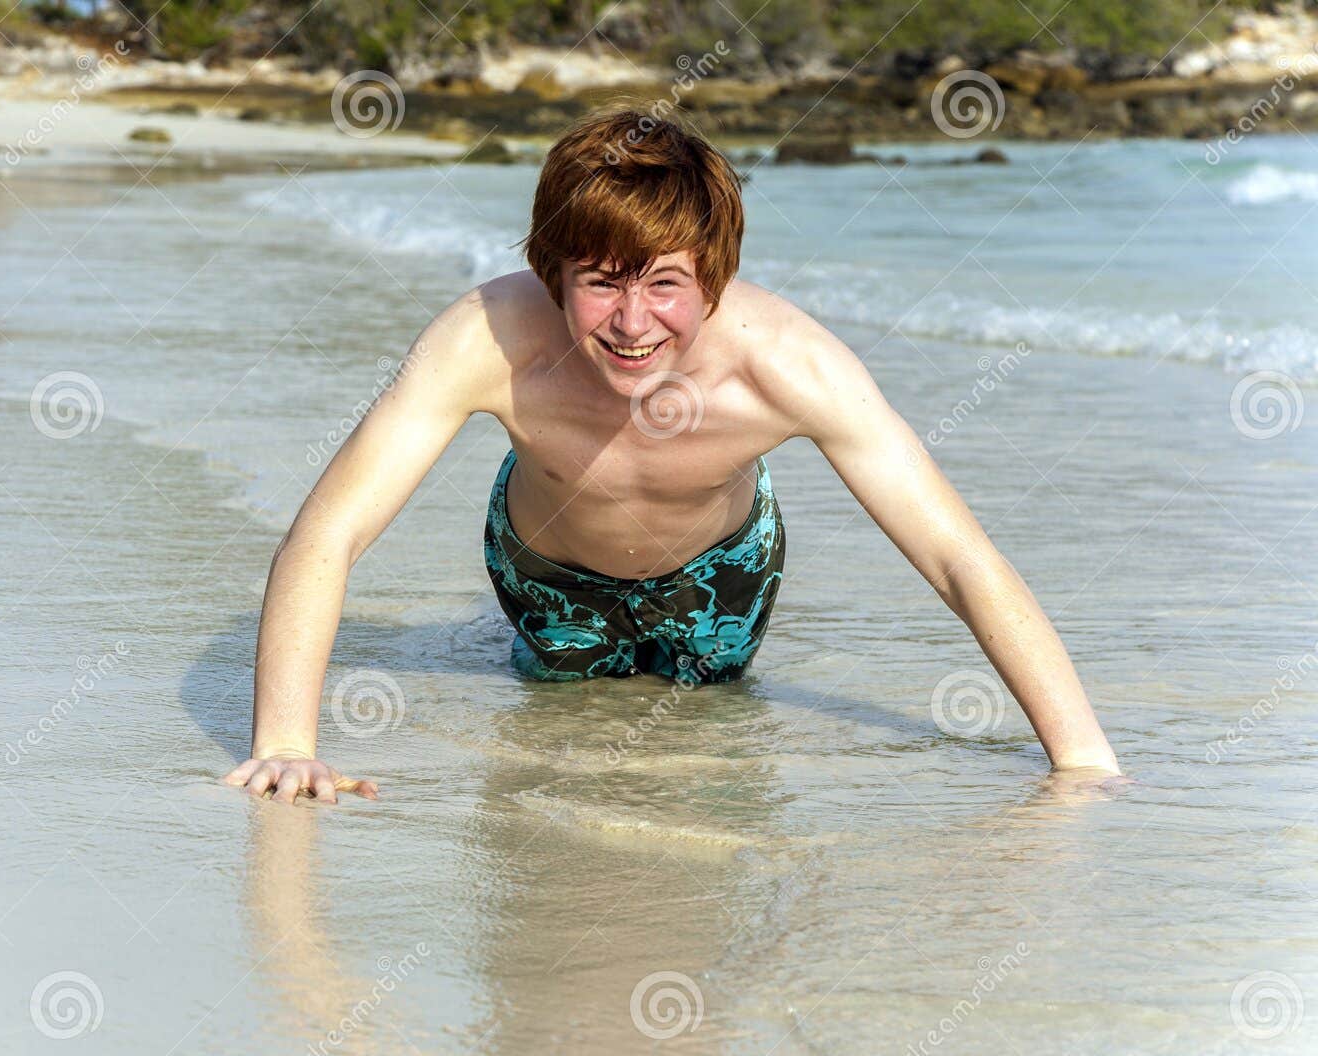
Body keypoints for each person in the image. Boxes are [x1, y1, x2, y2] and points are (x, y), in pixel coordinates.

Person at [224, 106, 1120, 804]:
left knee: (704, 736)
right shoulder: (483, 341)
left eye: (664, 283)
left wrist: (1081, 759)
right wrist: (287, 745)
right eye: (602, 281)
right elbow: (325, 534)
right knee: (557, 721)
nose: (631, 321)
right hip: (547, 569)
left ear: (714, 277)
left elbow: (959, 556)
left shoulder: (790, 366)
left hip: (722, 569)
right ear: (552, 272)